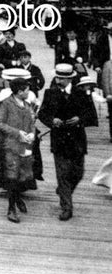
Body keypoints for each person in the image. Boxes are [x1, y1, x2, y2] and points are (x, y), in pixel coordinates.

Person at [37, 63, 90, 221]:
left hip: (77, 139)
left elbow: (90, 113)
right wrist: (52, 120)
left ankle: (63, 191)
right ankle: (67, 207)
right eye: (58, 77)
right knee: (62, 174)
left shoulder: (81, 93)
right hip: (59, 139)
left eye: (63, 78)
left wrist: (80, 119)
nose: (60, 80)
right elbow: (42, 114)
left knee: (78, 172)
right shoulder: (50, 93)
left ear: (70, 79)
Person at [0, 77, 38, 223]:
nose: (29, 92)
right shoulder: (6, 104)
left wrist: (31, 134)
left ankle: (16, 198)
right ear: (20, 91)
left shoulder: (27, 105)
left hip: (24, 145)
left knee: (22, 174)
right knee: (11, 175)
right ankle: (11, 209)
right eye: (27, 90)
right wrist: (17, 133)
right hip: (9, 146)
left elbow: (31, 122)